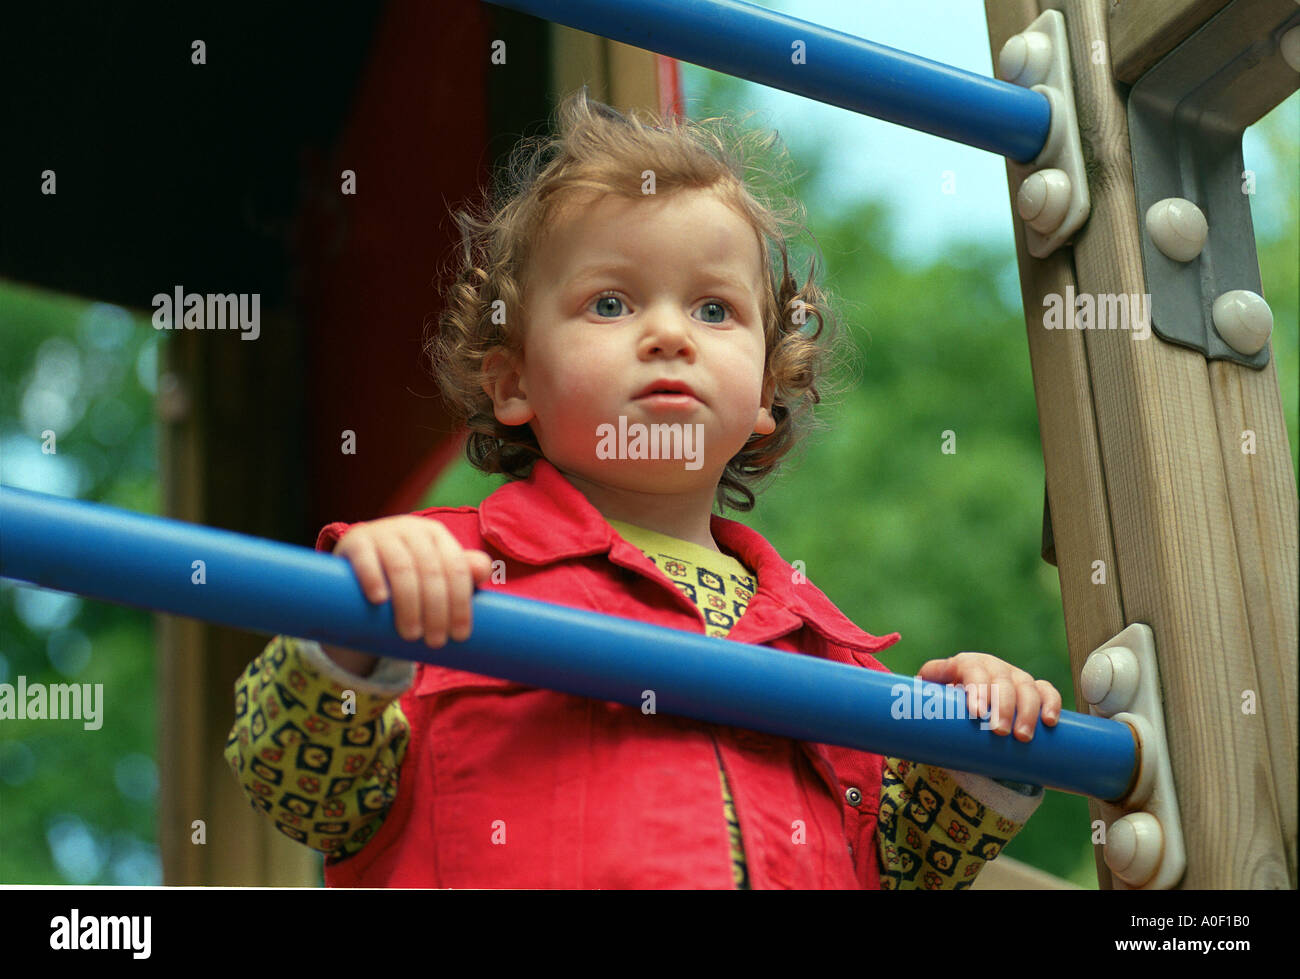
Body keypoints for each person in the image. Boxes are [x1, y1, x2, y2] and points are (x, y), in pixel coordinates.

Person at [224, 89, 1062, 889]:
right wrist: (352, 634)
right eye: (612, 301)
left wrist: (978, 737)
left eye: (713, 310)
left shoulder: (824, 648)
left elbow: (899, 865)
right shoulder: (442, 571)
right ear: (514, 382)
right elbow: (298, 781)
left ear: (768, 391)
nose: (668, 333)